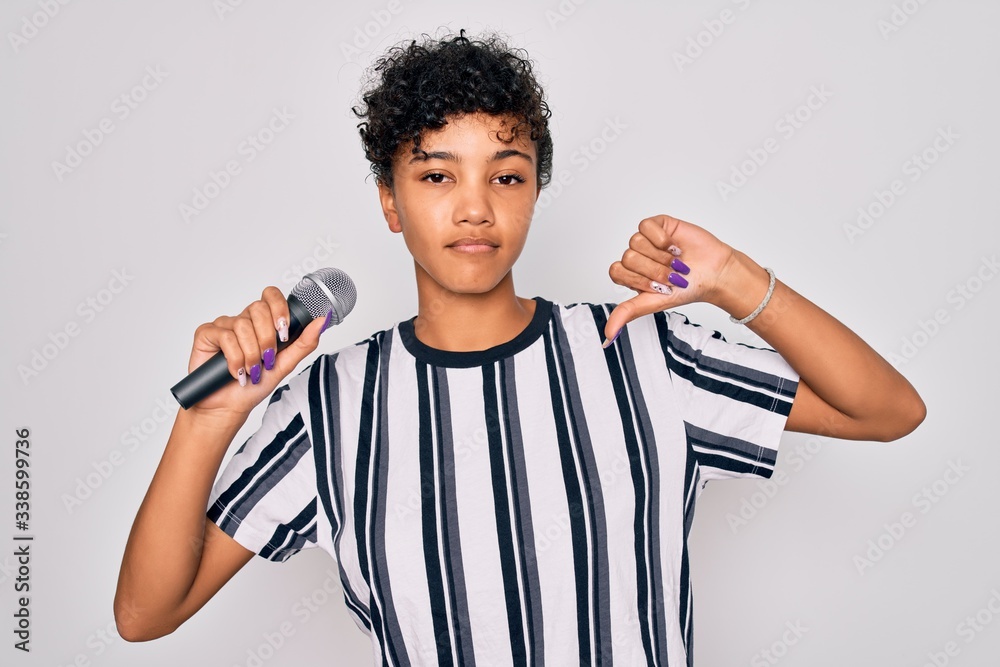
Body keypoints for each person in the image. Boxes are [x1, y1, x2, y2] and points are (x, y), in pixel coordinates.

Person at [114, 29, 926, 665]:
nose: (475, 208)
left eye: (506, 175)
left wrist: (736, 280)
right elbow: (146, 613)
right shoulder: (326, 407)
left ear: (536, 189)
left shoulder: (642, 352)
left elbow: (888, 410)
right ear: (390, 201)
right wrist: (206, 422)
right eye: (437, 176)